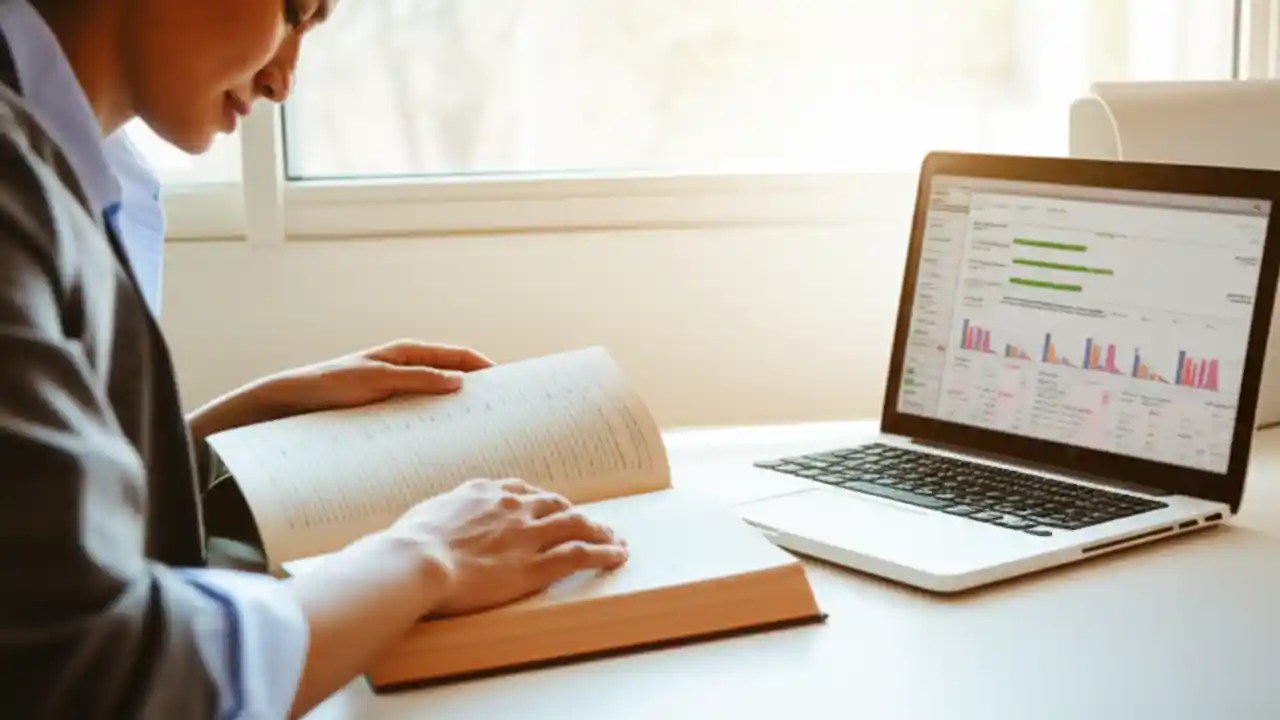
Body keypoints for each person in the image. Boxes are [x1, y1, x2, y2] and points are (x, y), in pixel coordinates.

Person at [0, 0, 630, 717]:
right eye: (294, 10)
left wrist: (229, 429)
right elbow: (88, 673)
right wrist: (426, 557)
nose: (282, 80)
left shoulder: (85, 164)